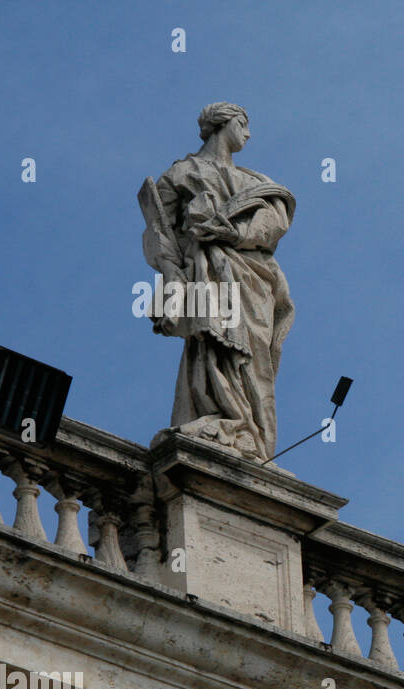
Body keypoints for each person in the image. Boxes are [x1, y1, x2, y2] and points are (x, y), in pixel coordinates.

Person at [140, 102, 296, 461]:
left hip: (255, 278)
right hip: (206, 270)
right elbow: (160, 233)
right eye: (244, 123)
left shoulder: (257, 183)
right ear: (224, 123)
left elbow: (273, 226)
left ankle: (250, 432)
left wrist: (231, 230)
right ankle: (226, 419)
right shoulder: (181, 174)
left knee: (256, 356)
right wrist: (171, 275)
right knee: (215, 343)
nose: (249, 133)